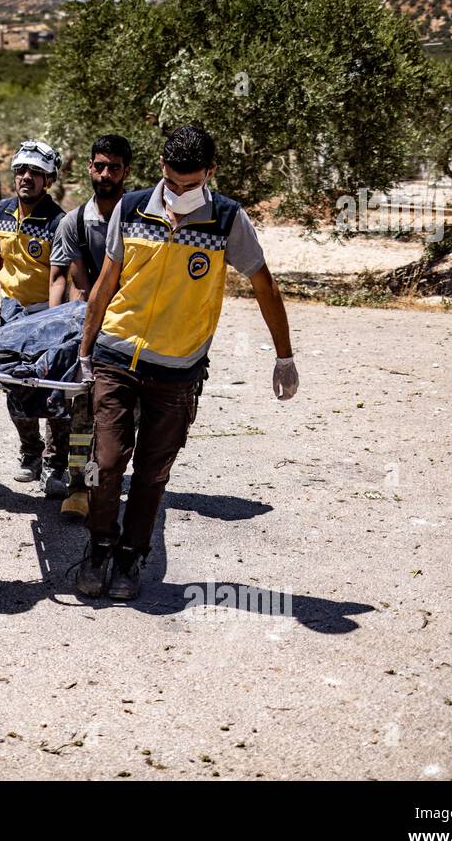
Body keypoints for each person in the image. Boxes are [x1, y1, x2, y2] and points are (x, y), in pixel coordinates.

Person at [75, 125, 298, 601]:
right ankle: (99, 547)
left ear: (210, 174)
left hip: (177, 370)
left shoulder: (227, 220)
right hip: (118, 353)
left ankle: (132, 557)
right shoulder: (132, 208)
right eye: (172, 182)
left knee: (154, 471)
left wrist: (284, 357)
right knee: (107, 461)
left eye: (190, 184)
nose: (179, 193)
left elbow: (265, 284)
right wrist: (84, 351)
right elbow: (106, 282)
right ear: (161, 168)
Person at [49, 134, 132, 520]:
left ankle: (111, 475)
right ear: (88, 168)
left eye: (114, 167)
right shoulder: (75, 222)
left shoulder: (141, 218)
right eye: (99, 166)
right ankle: (79, 486)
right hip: (94, 326)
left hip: (135, 327)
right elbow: (77, 286)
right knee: (82, 407)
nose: (105, 174)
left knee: (125, 416)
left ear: (126, 171)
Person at [0, 139, 69, 496]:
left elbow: (58, 275)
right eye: (21, 170)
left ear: (48, 179)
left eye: (36, 172)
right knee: (15, 387)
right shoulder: (1, 211)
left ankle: (57, 463)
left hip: (45, 317)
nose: (26, 177)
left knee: (53, 390)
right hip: (11, 315)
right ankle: (30, 453)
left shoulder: (59, 220)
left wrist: (52, 325)